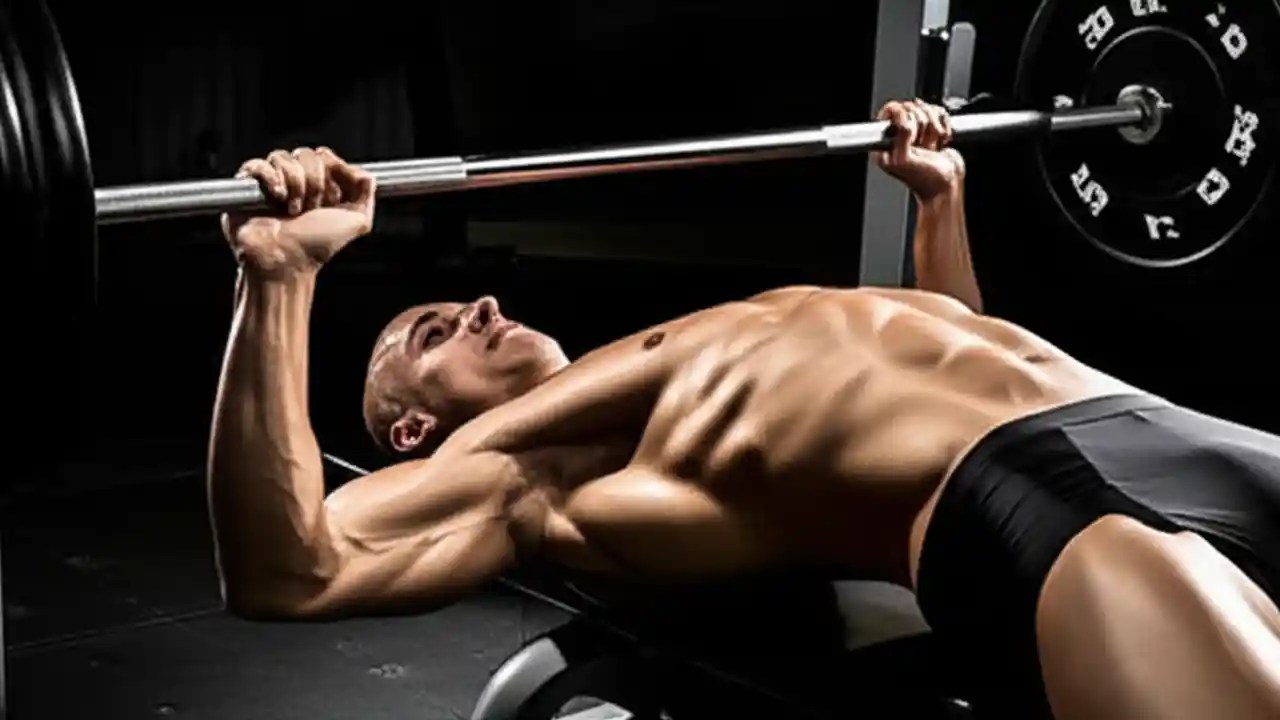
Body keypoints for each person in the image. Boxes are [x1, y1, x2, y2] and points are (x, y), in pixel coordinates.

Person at [206, 98, 1280, 720]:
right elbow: (285, 571)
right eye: (432, 334)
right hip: (1045, 511)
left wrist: (938, 197)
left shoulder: (664, 368)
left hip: (1161, 424)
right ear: (410, 435)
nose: (479, 305)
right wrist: (280, 277)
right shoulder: (522, 479)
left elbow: (941, 349)